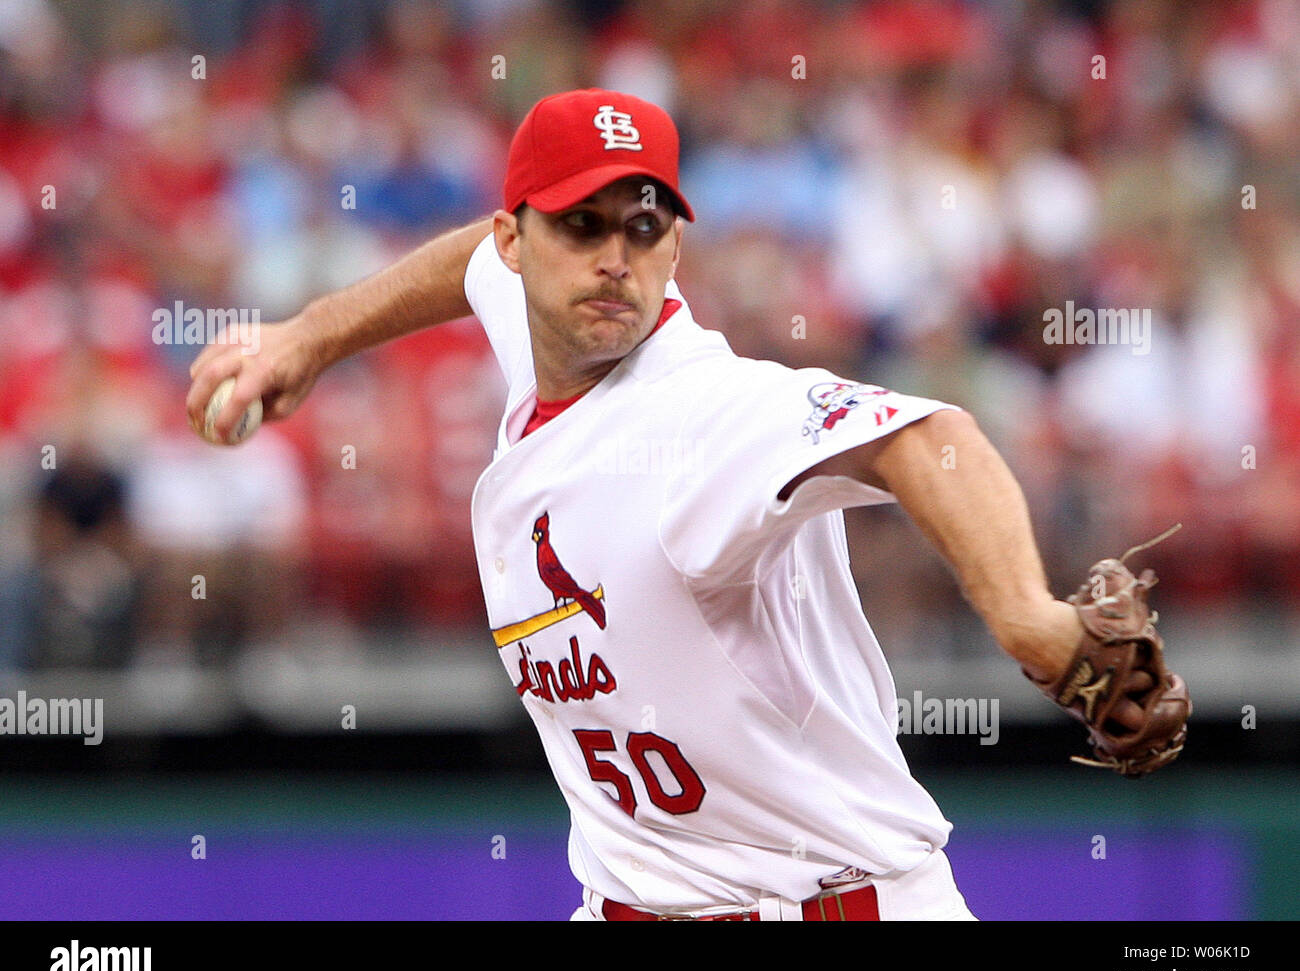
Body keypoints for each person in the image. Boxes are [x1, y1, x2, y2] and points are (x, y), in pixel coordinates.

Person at [188, 88, 1110, 921]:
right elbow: (466, 265)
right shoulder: (543, 326)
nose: (613, 261)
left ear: (675, 244)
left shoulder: (708, 414)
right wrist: (310, 335)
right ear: (516, 242)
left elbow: (933, 438)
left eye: (641, 227)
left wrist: (1027, 616)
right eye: (580, 226)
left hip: (831, 905)